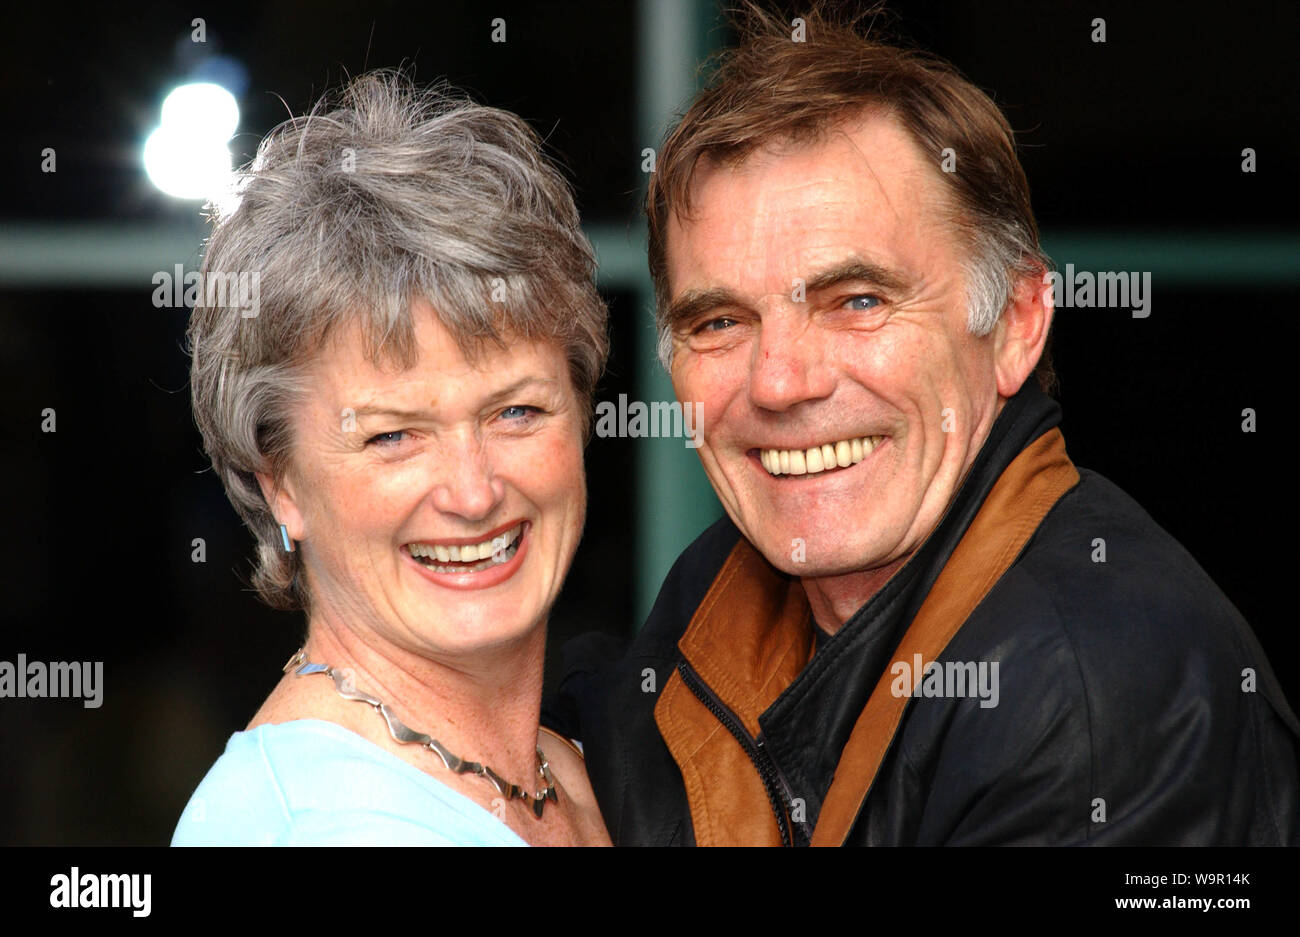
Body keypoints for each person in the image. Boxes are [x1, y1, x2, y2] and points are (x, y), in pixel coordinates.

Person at [545, 5, 1300, 845]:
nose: (780, 381)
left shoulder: (1098, 697)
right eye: (720, 321)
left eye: (857, 300)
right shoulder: (732, 579)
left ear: (1015, 324)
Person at [172, 71, 611, 846]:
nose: (473, 492)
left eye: (516, 410)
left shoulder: (588, 766)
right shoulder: (300, 829)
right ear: (279, 482)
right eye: (392, 435)